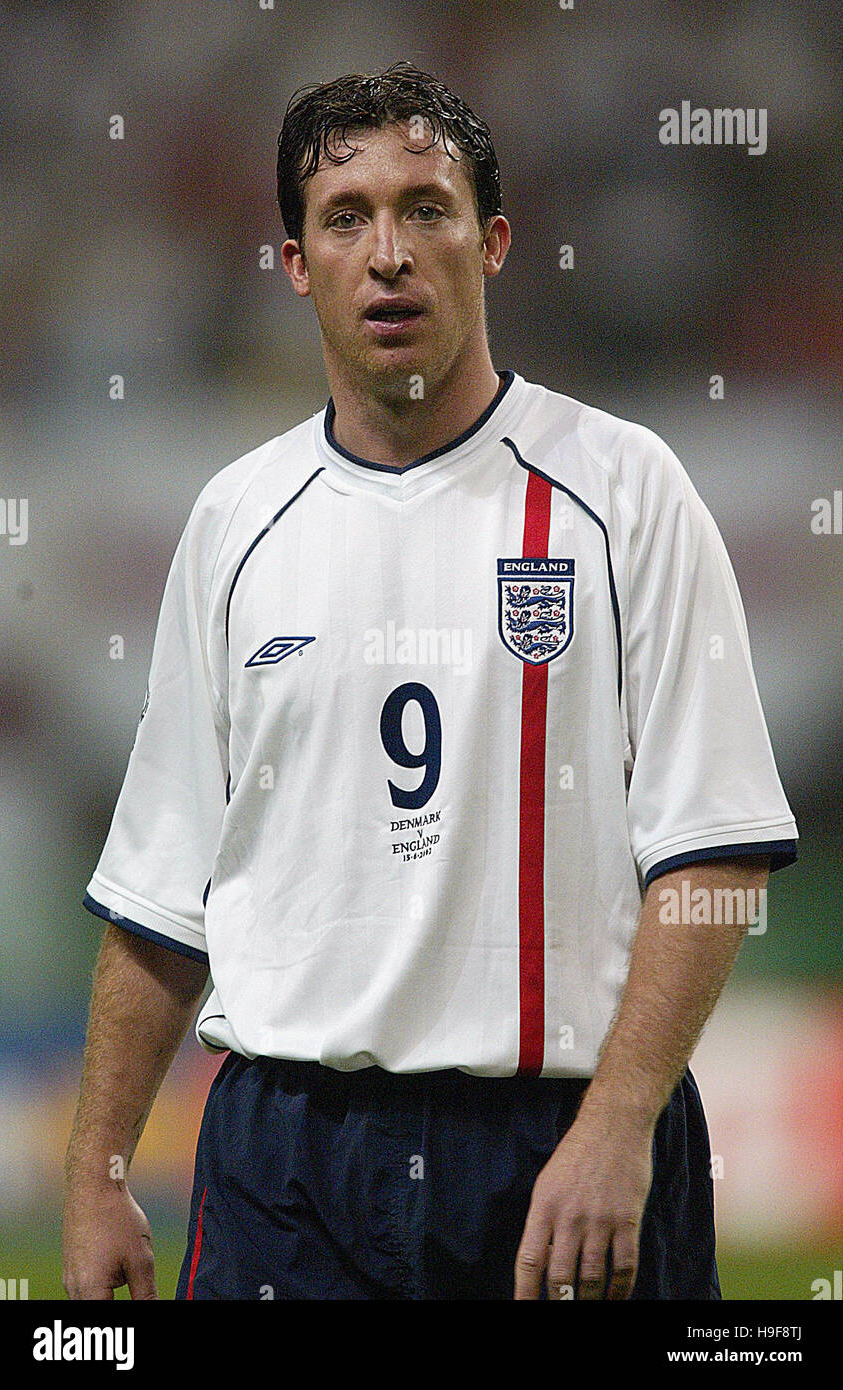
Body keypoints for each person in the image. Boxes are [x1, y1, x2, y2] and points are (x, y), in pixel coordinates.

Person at [63, 62, 798, 1301]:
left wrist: (618, 1122)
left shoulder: (624, 492)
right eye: (344, 219)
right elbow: (160, 891)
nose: (387, 251)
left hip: (556, 1147)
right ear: (295, 265)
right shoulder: (236, 521)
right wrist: (95, 1169)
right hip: (283, 1167)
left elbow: (711, 855)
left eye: (427, 208)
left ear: (493, 241)